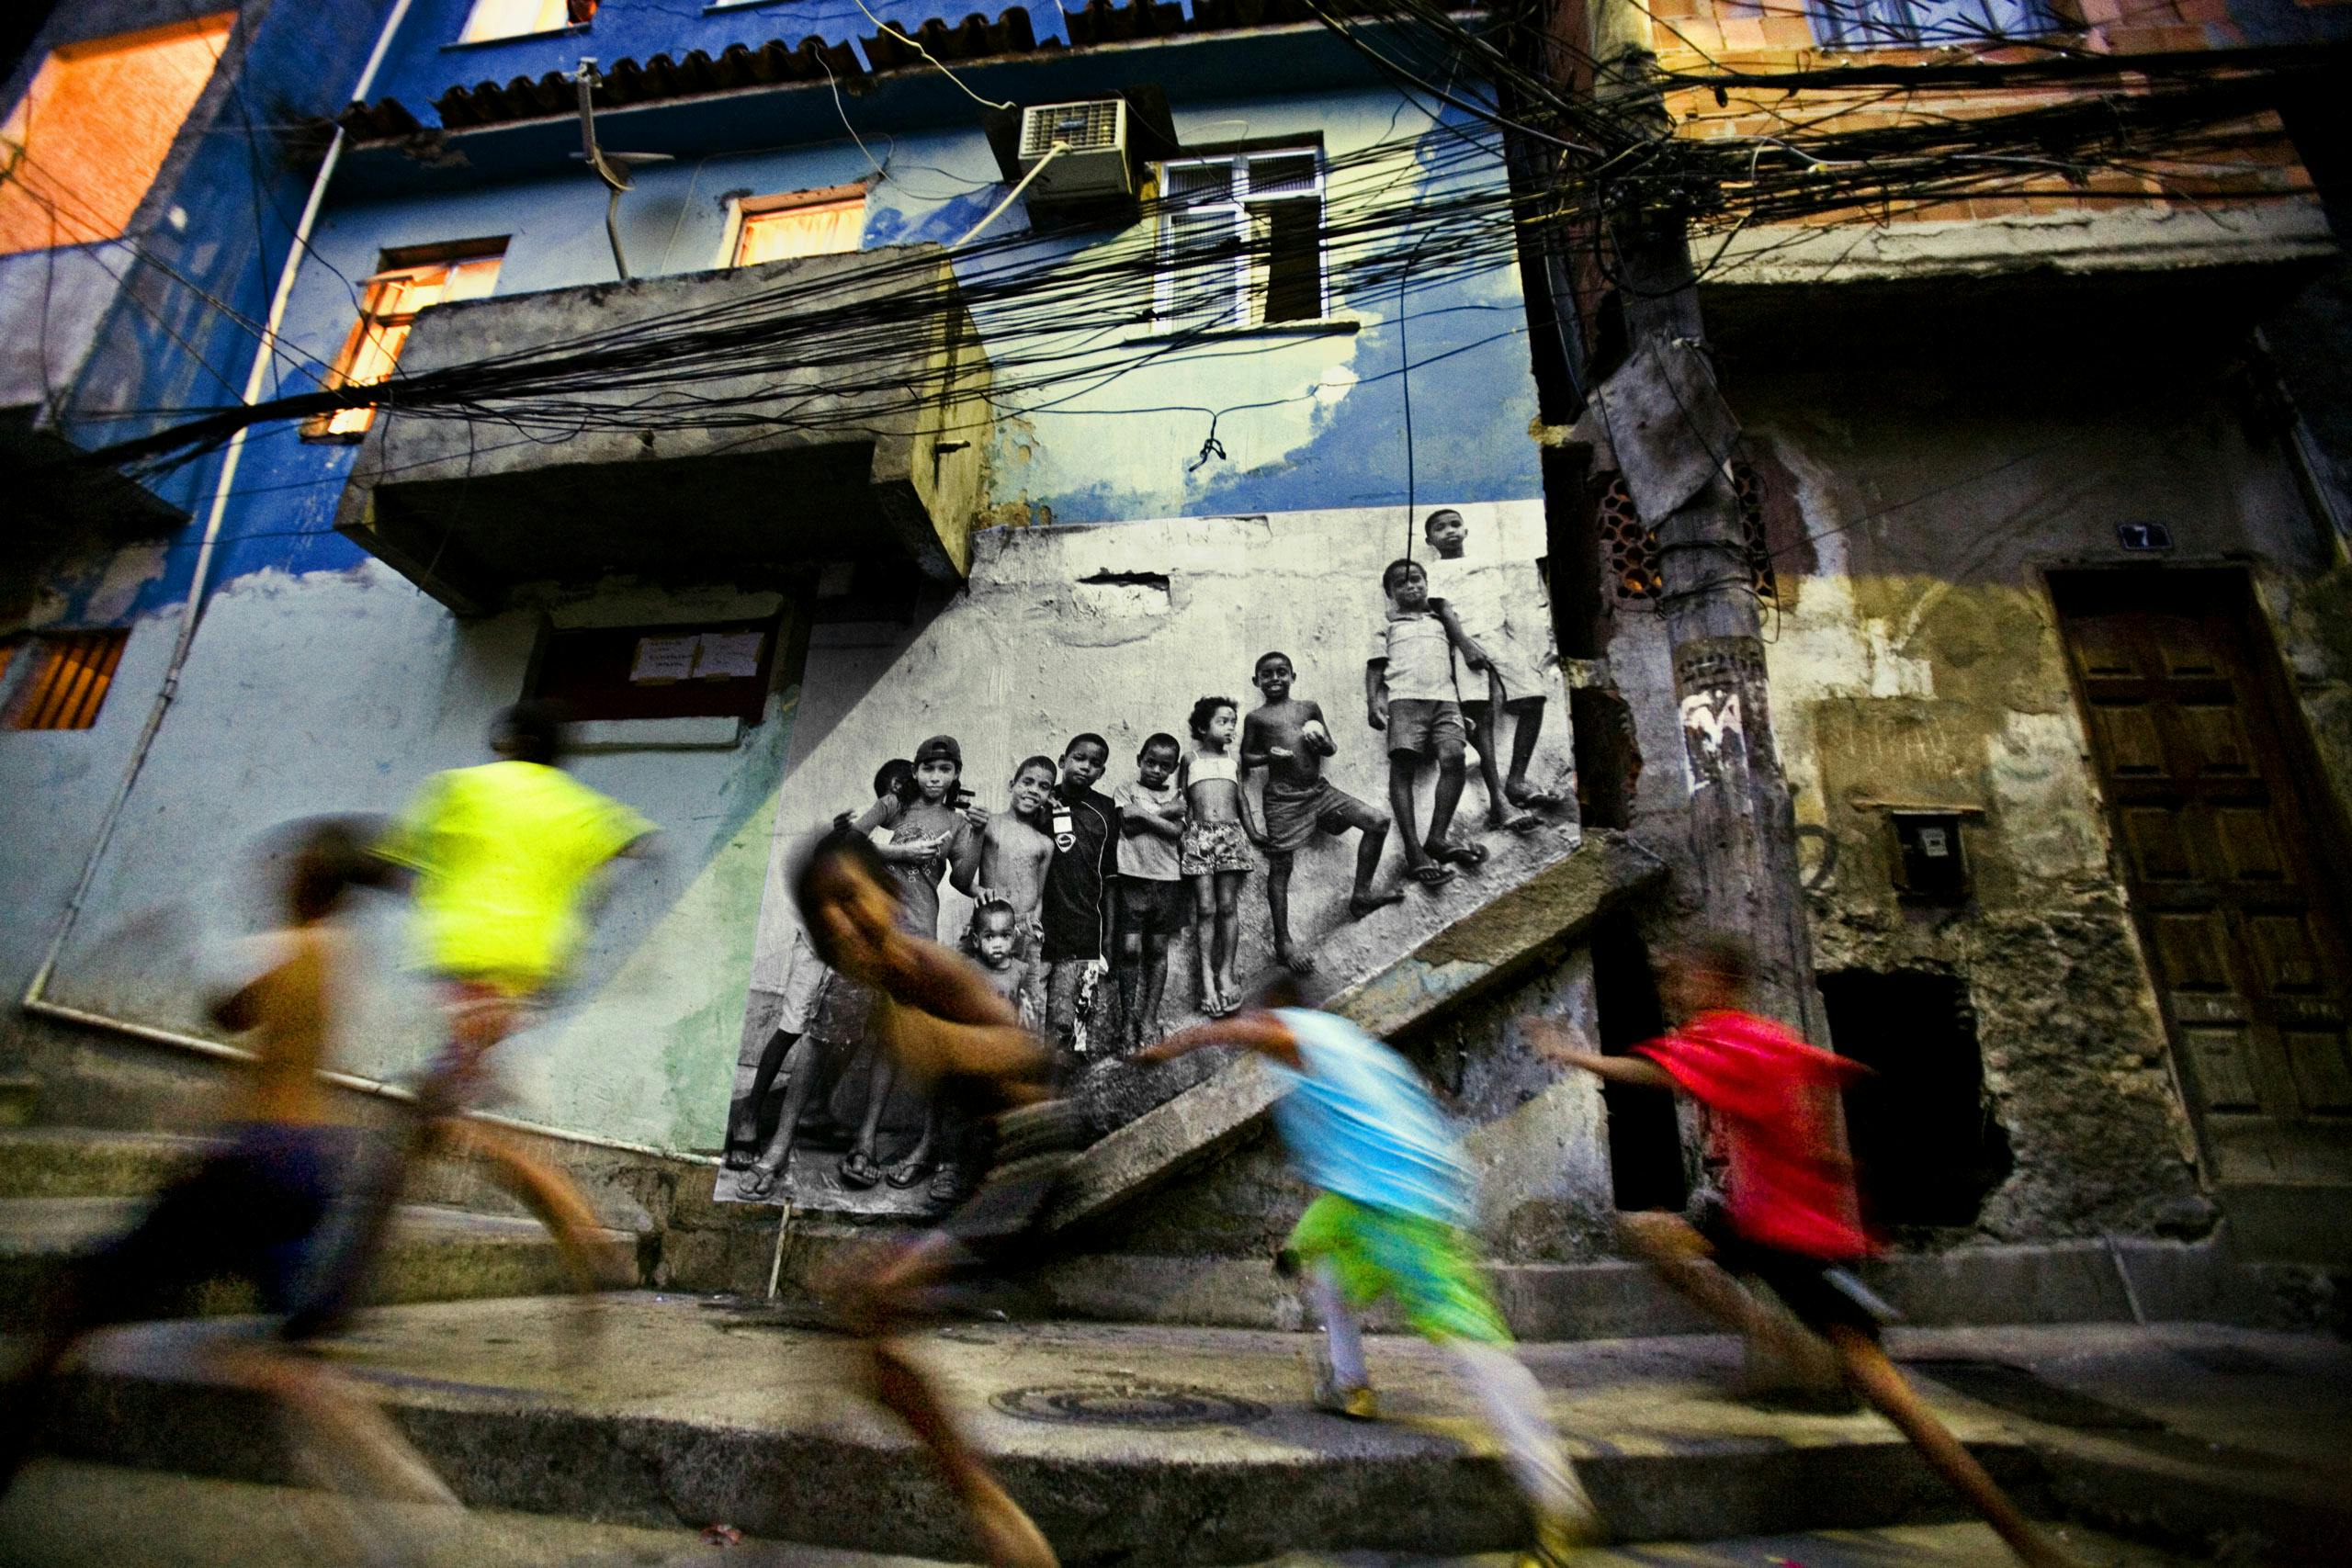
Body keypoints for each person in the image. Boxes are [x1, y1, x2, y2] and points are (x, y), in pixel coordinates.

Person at [1527, 936, 2083, 1568]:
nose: (1674, 994)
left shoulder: (1732, 1037)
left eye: (1682, 980)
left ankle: (2028, 1543)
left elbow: (1656, 1073)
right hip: (1769, 1227)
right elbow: (1826, 1092)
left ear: (1714, 979)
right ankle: (1791, 1343)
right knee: (1651, 1232)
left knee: (1894, 1399)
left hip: (1793, 1238)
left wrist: (1576, 1055)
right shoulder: (1770, 1038)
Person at [2, 821, 455, 1517]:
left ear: (308, 882)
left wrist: (175, 943)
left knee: (83, 1296)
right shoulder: (343, 953)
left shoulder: (290, 946)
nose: (279, 875)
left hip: (258, 1158)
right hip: (313, 1165)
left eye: (292, 867)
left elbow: (228, 1012)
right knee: (281, 1346)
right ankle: (388, 1474)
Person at [1138, 978, 1601, 1565]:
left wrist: (1175, 1045)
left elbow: (1256, 1032)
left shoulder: (1309, 1033)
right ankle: (1350, 1385)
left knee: (1471, 1344)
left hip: (1400, 1200)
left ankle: (1560, 1506)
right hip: (1369, 1195)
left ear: (1275, 1011)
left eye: (1259, 1017)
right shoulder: (1347, 1047)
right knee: (1322, 1264)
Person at [302, 701, 656, 1338]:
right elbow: (639, 846)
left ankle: (580, 1229)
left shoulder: (463, 788)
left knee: (423, 1128)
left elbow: (395, 864)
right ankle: (335, 1298)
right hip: (523, 983)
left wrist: (347, 869)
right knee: (426, 1129)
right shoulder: (576, 806)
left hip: (472, 980)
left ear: (509, 739)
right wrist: (573, 912)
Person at [794, 827, 1083, 1568]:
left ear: (889, 895)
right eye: (830, 923)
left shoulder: (926, 966)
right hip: (991, 1165)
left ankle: (988, 1509)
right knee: (868, 1314)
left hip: (1030, 1159)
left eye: (854, 903)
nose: (847, 927)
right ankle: (982, 1503)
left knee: (874, 1301)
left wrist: (946, 1046)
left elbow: (1027, 1051)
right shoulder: (888, 985)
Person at [734, 760, 918, 1195]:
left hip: (857, 954)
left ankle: (816, 1110)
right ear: (890, 790)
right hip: (820, 950)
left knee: (842, 1034)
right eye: (897, 790)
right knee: (793, 1027)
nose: (900, 796)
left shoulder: (919, 828)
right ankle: (750, 1112)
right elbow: (836, 863)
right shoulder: (855, 831)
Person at [838, 735, 979, 1191]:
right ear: (916, 772)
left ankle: (901, 1143)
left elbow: (961, 878)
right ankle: (863, 1141)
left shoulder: (956, 822)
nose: (936, 778)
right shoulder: (895, 805)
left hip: (918, 933)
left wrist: (976, 834)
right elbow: (850, 840)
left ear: (956, 774)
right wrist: (896, 852)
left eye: (945, 770)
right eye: (929, 769)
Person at [1241, 650, 1401, 975]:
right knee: (1281, 864)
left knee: (1378, 821)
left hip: (1319, 792)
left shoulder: (1308, 708)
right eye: (1267, 674)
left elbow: (1330, 747)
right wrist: (1269, 756)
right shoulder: (1256, 718)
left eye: (1281, 672)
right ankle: (1283, 943)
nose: (1275, 679)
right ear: (1256, 681)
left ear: (1293, 676)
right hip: (1283, 800)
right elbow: (1246, 756)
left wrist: (1320, 744)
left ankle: (1361, 895)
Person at [1419, 509, 1557, 829]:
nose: (1450, 531)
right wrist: (1465, 645)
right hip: (1466, 640)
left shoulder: (1484, 564)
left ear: (1465, 531)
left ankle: (1517, 780)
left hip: (1500, 636)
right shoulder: (1435, 570)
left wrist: (1515, 640)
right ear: (1430, 540)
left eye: (1455, 525)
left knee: (1533, 696)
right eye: (1440, 529)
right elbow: (1444, 609)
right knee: (1480, 716)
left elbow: (1501, 605)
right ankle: (1499, 800)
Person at [1366, 558, 1487, 890]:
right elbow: (1375, 666)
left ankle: (1437, 837)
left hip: (1446, 700)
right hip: (1404, 700)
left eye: (1417, 579)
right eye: (1402, 583)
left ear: (1427, 582)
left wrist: (1446, 612)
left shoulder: (1442, 620)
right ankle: (1414, 850)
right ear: (1390, 593)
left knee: (1453, 757)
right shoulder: (1387, 624)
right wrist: (1372, 701)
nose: (1411, 586)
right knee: (1403, 769)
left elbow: (1464, 653)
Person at [1036, 734, 1117, 1068]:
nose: (1086, 767)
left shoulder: (1105, 810)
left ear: (1102, 771)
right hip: (1041, 926)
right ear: (1063, 760)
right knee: (1034, 1017)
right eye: (1079, 758)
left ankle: (1067, 1098)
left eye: (1095, 763)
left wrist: (1109, 935)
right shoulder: (1040, 800)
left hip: (1086, 928)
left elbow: (1111, 878)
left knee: (1076, 1024)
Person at [1180, 696, 1262, 1018]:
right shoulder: (1190, 759)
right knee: (1205, 908)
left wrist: (1253, 834)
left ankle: (1225, 973)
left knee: (1228, 906)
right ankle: (1205, 981)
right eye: (1223, 721)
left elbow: (1240, 797)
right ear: (1203, 727)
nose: (1230, 728)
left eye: (1233, 722)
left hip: (1230, 834)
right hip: (1199, 836)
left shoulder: (1233, 762)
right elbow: (1184, 801)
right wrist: (1183, 838)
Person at [1111, 733, 1188, 1048]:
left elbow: (1176, 831)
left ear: (1172, 769)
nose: (1156, 770)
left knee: (1157, 950)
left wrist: (1148, 815)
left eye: (1164, 766)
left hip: (1168, 880)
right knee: (1129, 950)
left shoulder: (1178, 796)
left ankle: (1148, 1018)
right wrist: (1163, 813)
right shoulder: (1125, 790)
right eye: (1151, 762)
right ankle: (1127, 1020)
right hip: (1132, 878)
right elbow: (1127, 823)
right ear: (1140, 759)